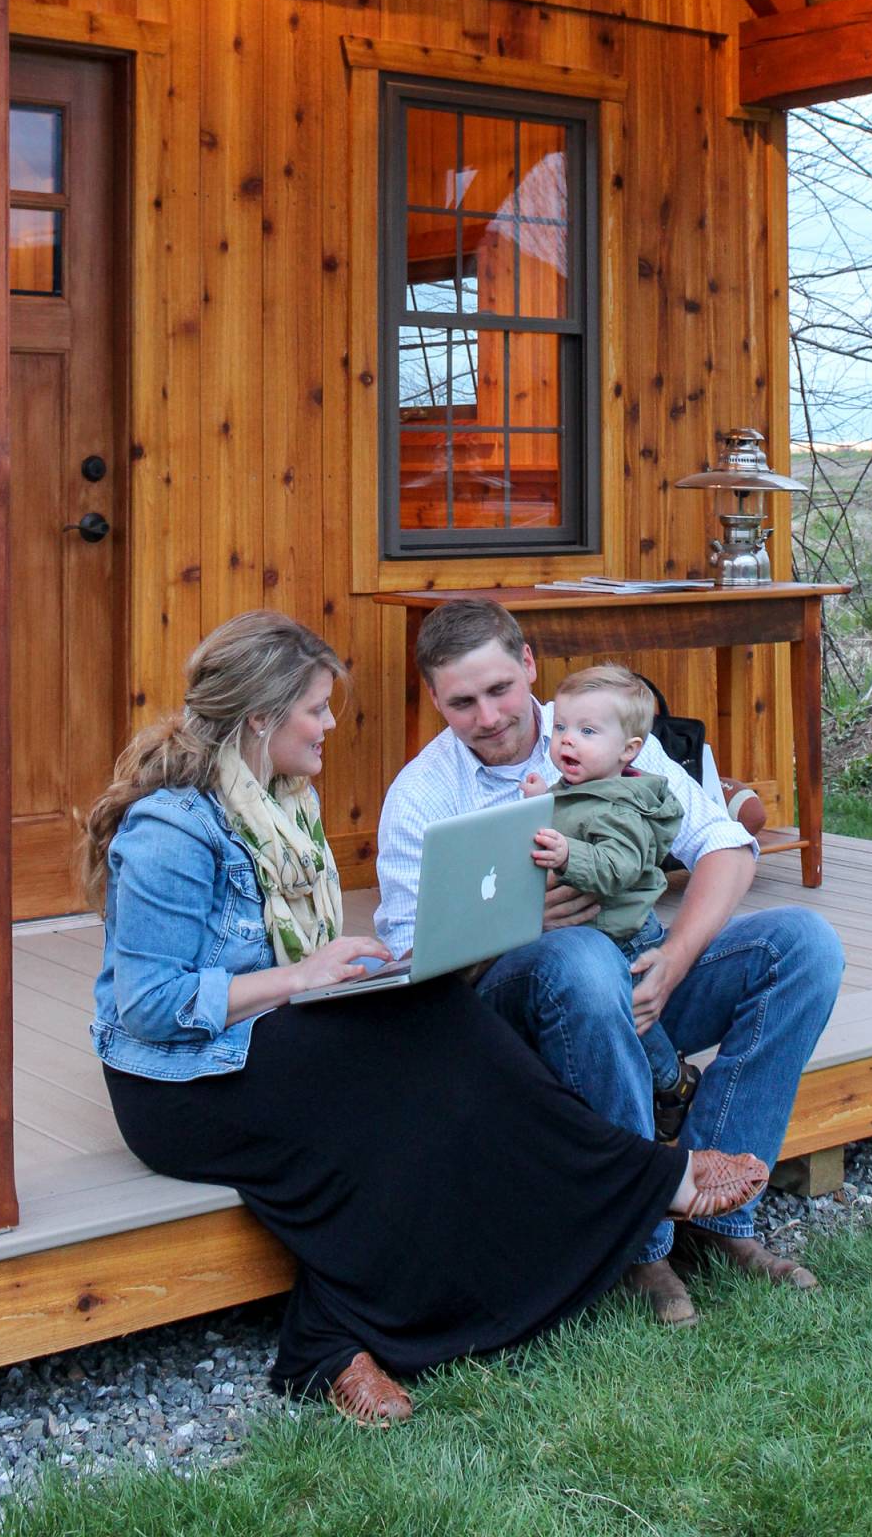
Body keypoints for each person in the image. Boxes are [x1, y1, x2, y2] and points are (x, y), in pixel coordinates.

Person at [85, 609, 771, 1425]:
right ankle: (655, 1180)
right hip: (181, 1084)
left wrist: (342, 973)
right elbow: (153, 1008)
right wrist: (302, 975)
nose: (332, 723)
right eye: (317, 707)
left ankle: (326, 1346)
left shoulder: (278, 807)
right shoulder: (170, 827)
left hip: (258, 1039)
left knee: (433, 1029)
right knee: (412, 1077)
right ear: (262, 718)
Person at [376, 597, 846, 1328]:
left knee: (804, 947)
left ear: (528, 666)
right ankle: (639, 1241)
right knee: (578, 957)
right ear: (434, 700)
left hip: (639, 982)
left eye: (500, 690)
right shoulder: (419, 798)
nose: (490, 716)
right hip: (510, 1022)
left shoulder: (603, 734)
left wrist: (677, 959)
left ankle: (719, 1222)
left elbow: (723, 846)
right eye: (462, 703)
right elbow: (412, 973)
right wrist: (513, 928)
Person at [519, 662, 703, 1132]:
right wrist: (538, 801)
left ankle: (671, 1083)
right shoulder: (580, 789)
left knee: (635, 1019)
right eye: (560, 727)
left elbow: (616, 869)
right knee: (619, 1011)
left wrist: (567, 855)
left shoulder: (623, 809)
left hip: (621, 934)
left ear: (629, 749)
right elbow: (566, 820)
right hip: (589, 934)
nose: (566, 740)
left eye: (586, 731)